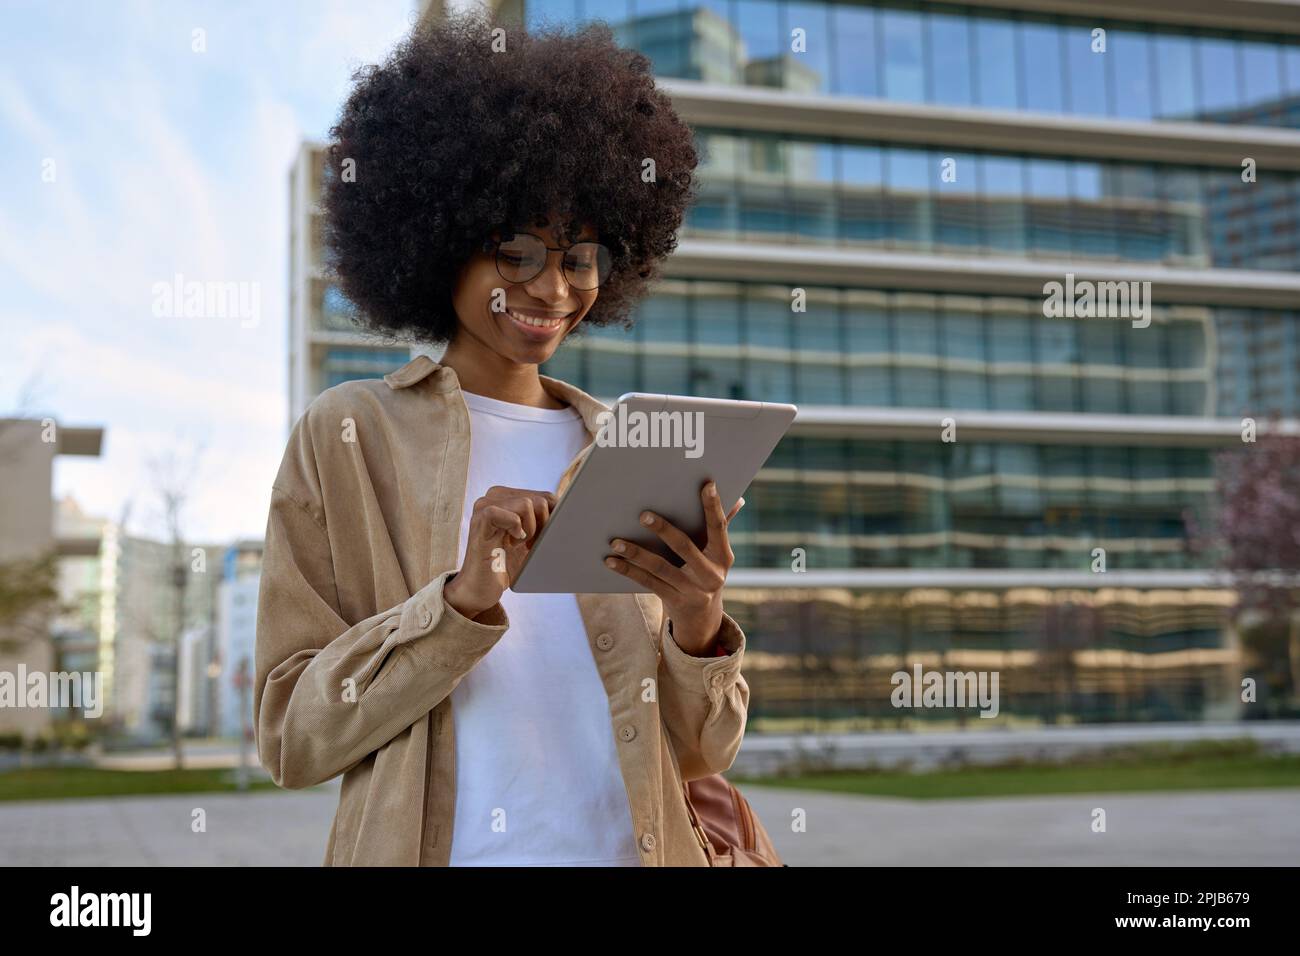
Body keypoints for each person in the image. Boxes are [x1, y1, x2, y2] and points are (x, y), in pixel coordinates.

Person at [253, 11, 750, 866]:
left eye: (580, 255)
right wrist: (457, 608)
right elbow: (292, 738)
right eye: (514, 251)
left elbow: (701, 755)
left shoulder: (629, 446)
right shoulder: (348, 435)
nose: (551, 287)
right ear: (438, 243)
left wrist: (697, 622)